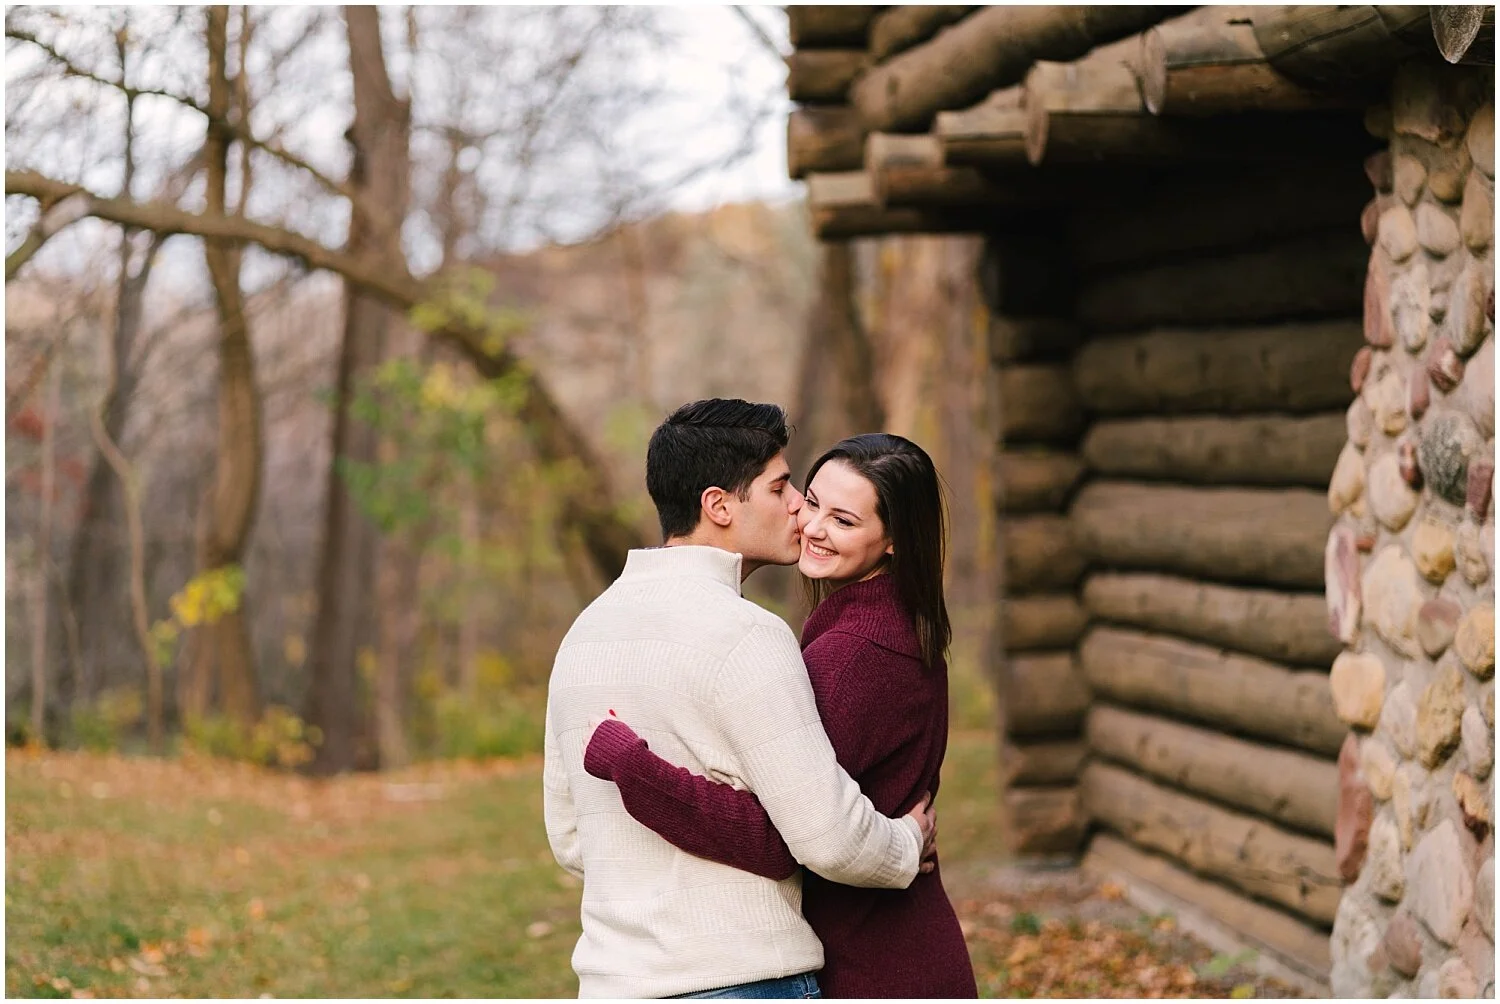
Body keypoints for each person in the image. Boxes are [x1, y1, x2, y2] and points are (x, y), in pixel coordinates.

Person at [543, 401, 936, 1000]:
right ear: (719, 505)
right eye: (781, 488)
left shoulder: (584, 636)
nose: (799, 507)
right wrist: (905, 844)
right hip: (742, 975)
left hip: (613, 981)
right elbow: (825, 838)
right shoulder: (750, 636)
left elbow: (571, 838)